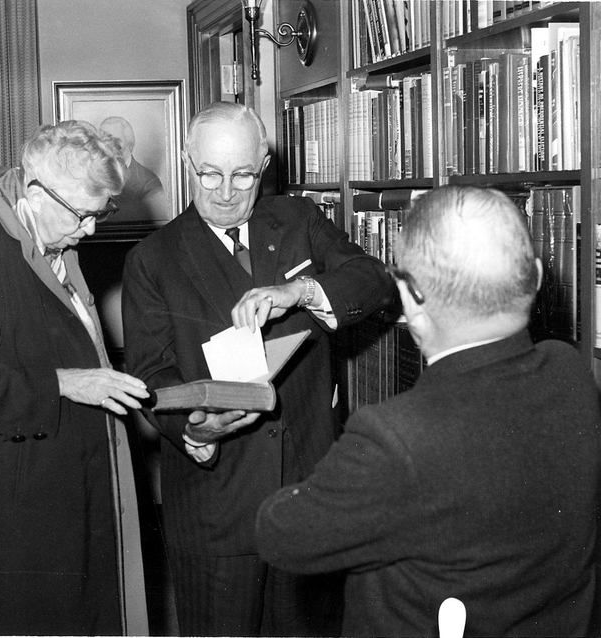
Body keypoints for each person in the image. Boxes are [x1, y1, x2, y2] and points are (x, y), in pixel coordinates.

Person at [256, 185, 601, 637]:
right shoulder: (571, 372)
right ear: (535, 277)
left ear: (411, 298)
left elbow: (280, 534)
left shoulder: (394, 438)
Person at [122, 101, 395, 636]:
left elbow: (374, 280)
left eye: (243, 175)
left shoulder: (299, 221)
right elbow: (156, 379)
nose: (225, 191)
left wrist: (301, 290)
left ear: (264, 165)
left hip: (309, 496)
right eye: (210, 174)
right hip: (217, 506)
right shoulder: (153, 260)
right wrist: (195, 430)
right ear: (186, 162)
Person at [0, 120, 151, 636]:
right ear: (37, 192)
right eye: (84, 214)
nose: (90, 230)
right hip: (1, 511)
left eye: (100, 212)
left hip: (39, 486)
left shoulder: (41, 231)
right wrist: (64, 383)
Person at [99, 116, 169, 223]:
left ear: (130, 145)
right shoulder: (92, 177)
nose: (109, 146)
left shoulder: (149, 182)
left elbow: (161, 224)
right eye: (105, 140)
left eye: (116, 141)